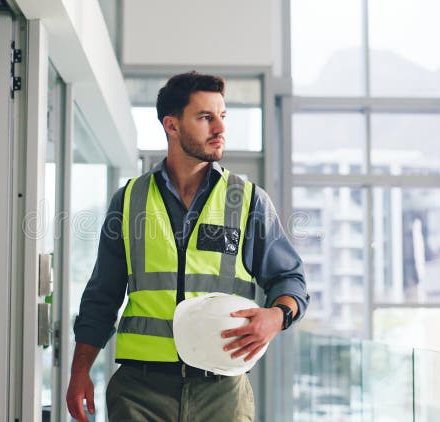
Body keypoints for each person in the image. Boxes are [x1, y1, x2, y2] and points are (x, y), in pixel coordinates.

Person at [66, 71, 309, 422]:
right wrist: (79, 371)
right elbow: (102, 296)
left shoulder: (248, 200)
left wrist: (277, 315)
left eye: (222, 117)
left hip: (222, 393)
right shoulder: (130, 200)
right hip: (140, 393)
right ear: (172, 125)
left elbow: (290, 279)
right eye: (206, 117)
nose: (220, 129)